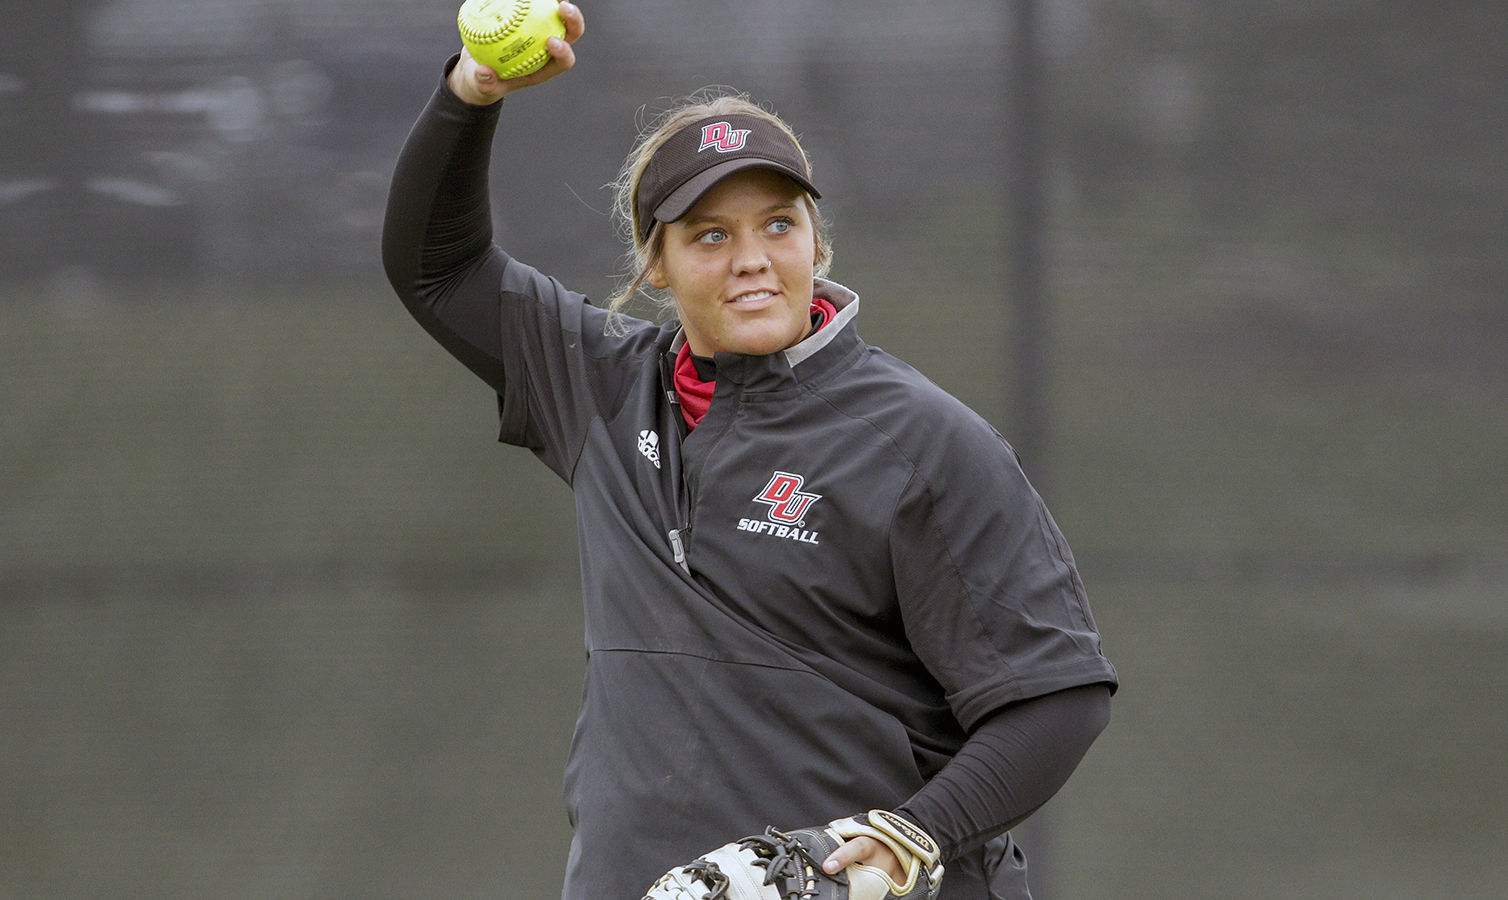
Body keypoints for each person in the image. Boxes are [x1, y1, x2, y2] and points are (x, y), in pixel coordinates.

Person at [381, 5, 1118, 900]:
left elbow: (1055, 696)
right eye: (710, 235)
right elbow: (437, 269)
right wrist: (473, 91)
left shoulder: (918, 441)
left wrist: (909, 837)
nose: (753, 259)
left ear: (816, 240)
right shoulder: (603, 390)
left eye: (778, 224)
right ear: (656, 264)